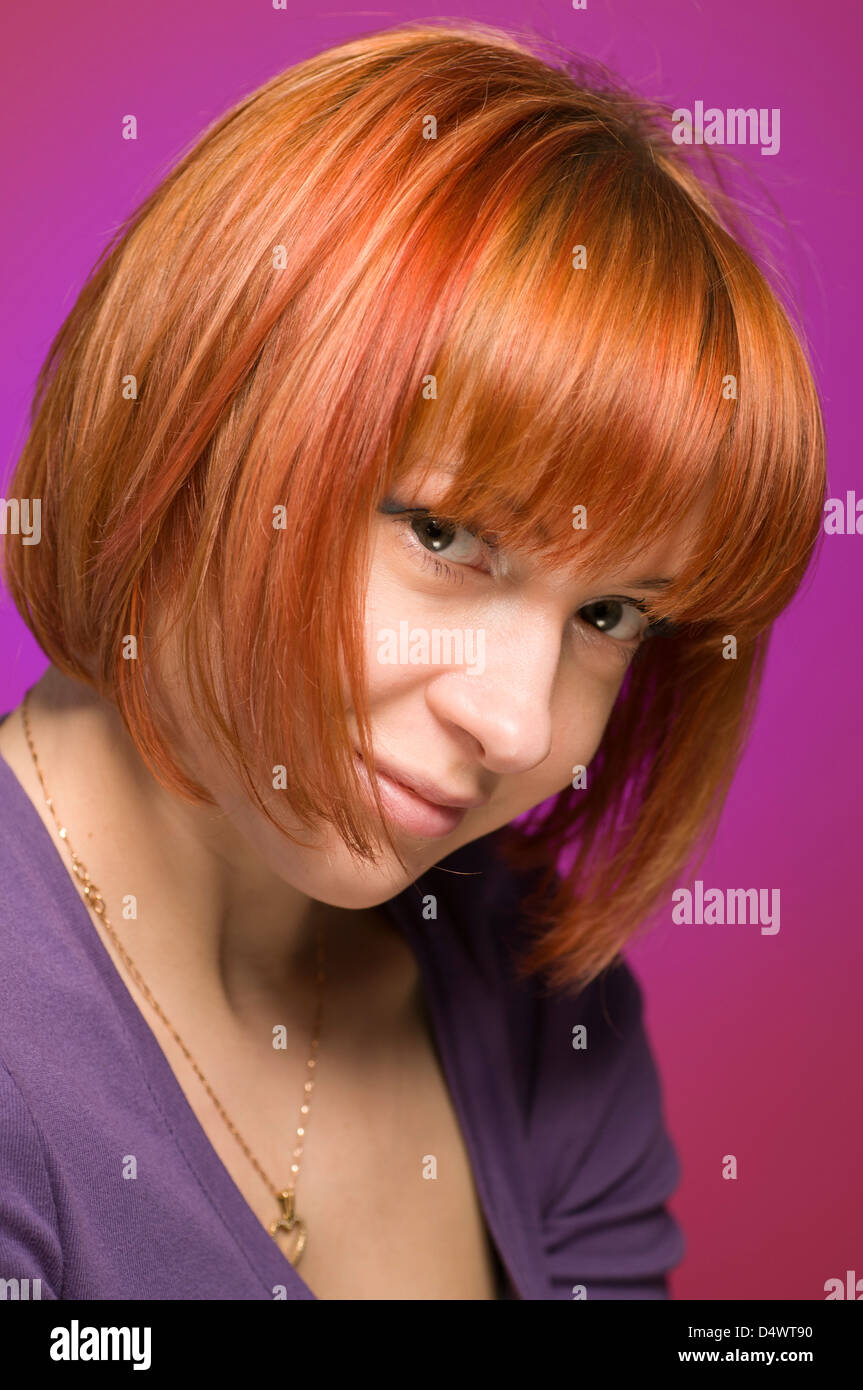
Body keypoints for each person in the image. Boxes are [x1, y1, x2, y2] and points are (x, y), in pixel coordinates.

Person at [0, 20, 825, 1301]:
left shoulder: (542, 1014)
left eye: (609, 617)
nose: (515, 722)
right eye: (446, 535)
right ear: (204, 418)